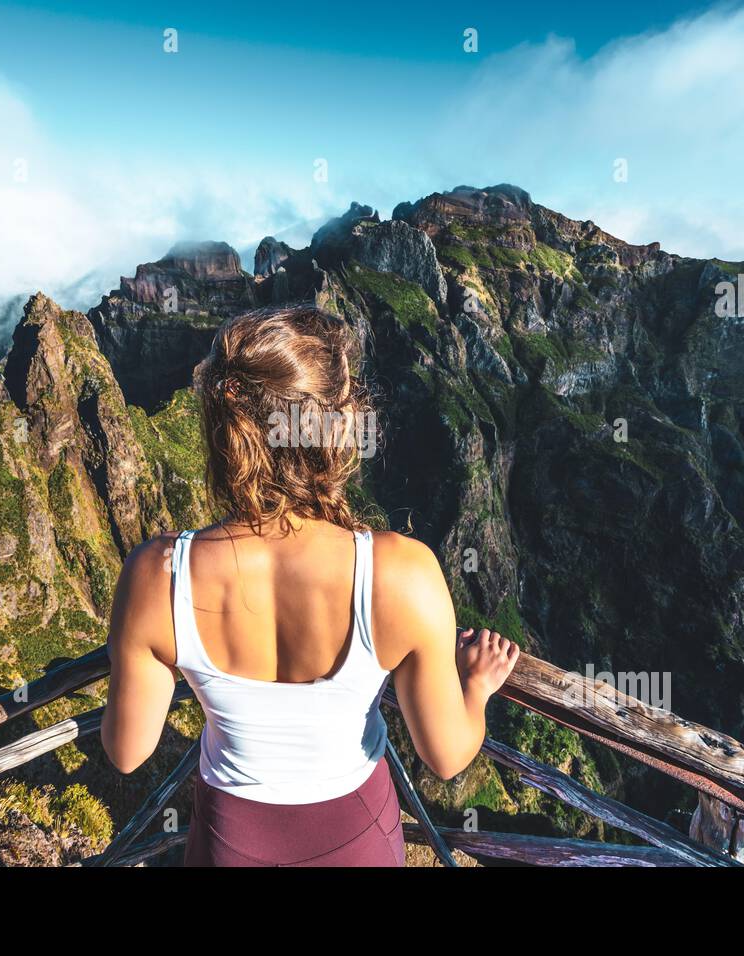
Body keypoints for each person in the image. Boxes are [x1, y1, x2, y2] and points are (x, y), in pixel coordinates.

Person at [100, 304, 519, 867]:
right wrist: (477, 686)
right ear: (337, 429)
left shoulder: (156, 574)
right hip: (357, 836)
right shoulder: (402, 572)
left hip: (229, 840)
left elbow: (126, 752)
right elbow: (446, 756)